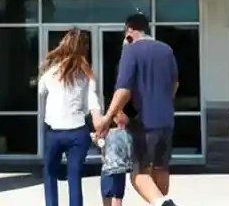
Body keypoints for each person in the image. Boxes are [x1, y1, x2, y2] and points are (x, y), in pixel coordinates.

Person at [96, 13, 179, 206]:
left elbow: (123, 90)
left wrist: (108, 117)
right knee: (160, 167)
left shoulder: (131, 51)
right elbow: (175, 84)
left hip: (145, 122)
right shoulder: (166, 50)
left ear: (129, 31)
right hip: (166, 121)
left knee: (139, 173)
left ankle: (162, 203)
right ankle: (162, 200)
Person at [38, 28, 103, 206]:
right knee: (74, 176)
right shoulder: (87, 74)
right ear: (84, 49)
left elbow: (41, 91)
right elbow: (93, 103)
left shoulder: (51, 73)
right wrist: (100, 126)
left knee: (50, 173)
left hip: (54, 132)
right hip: (78, 131)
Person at [94, 111, 133, 206]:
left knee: (114, 196)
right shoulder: (124, 132)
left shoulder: (123, 132)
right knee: (112, 195)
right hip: (113, 168)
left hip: (114, 169)